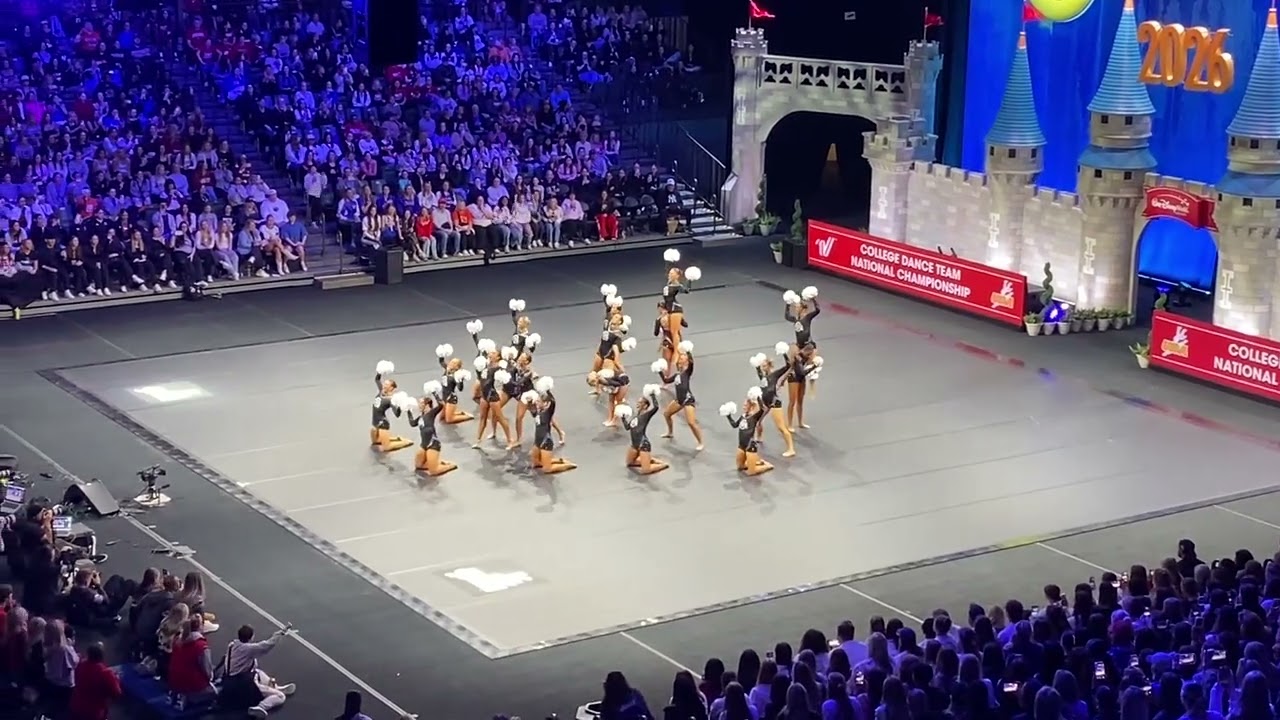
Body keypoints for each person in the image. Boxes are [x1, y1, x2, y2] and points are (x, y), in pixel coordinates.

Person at [225, 624, 297, 719]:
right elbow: (267, 645)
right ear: (251, 637)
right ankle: (260, 707)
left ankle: (276, 687)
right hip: (242, 684)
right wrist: (279, 634)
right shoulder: (249, 649)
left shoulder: (232, 645)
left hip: (231, 678)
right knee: (280, 697)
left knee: (259, 673)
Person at [656, 341, 704, 450]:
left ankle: (700, 442)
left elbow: (692, 363)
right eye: (680, 357)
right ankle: (670, 432)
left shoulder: (687, 372)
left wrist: (687, 352)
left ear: (687, 360)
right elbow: (666, 380)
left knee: (691, 423)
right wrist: (659, 371)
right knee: (667, 414)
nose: (681, 358)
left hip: (687, 400)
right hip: (679, 400)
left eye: (683, 357)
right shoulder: (677, 374)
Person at [750, 345, 796, 458]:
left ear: (768, 365)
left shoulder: (775, 374)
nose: (762, 368)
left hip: (774, 402)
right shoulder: (762, 375)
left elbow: (788, 366)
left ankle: (791, 448)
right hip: (765, 401)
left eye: (764, 366)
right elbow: (758, 371)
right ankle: (759, 437)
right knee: (757, 421)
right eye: (761, 366)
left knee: (781, 427)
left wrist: (785, 354)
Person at [525, 379, 574, 473]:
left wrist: (547, 390)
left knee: (547, 469)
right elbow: (531, 409)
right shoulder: (538, 412)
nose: (537, 403)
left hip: (545, 441)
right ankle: (559, 460)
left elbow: (552, 401)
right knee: (536, 464)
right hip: (537, 441)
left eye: (539, 402)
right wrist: (529, 402)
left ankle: (568, 465)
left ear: (546, 404)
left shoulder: (547, 412)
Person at [405, 388, 457, 477]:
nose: (419, 405)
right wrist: (408, 411)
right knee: (418, 466)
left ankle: (450, 465)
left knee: (433, 472)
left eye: (421, 403)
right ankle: (437, 462)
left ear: (427, 405)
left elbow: (441, 405)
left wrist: (434, 393)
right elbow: (412, 423)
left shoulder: (431, 413)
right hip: (424, 445)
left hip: (433, 444)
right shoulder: (421, 416)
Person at [167, 616, 216, 710]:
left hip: (174, 678)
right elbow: (207, 670)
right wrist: (210, 678)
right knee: (216, 693)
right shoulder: (200, 645)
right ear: (200, 626)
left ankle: (178, 694)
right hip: (191, 683)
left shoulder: (177, 639)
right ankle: (188, 698)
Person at [617, 388, 669, 475]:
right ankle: (650, 459)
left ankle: (663, 465)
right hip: (634, 445)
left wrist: (652, 395)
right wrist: (623, 418)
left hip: (643, 444)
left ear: (645, 406)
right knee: (629, 463)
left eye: (640, 403)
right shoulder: (636, 416)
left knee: (645, 470)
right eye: (638, 402)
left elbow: (656, 407)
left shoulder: (646, 415)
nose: (637, 404)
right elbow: (627, 427)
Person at [68, 642, 121, 720]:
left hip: (76, 707)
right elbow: (117, 692)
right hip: (94, 713)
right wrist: (116, 679)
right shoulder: (105, 673)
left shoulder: (80, 665)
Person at [722, 396, 773, 476]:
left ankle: (767, 466)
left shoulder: (754, 417)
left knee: (750, 472)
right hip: (741, 445)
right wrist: (728, 416)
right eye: (743, 405)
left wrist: (758, 397)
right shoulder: (743, 416)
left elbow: (763, 409)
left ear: (751, 406)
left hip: (750, 446)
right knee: (740, 467)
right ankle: (755, 463)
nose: (743, 407)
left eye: (745, 405)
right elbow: (735, 425)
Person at [370, 361, 412, 452]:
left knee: (386, 447)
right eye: (384, 384)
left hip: (382, 423)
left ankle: (406, 442)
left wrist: (401, 406)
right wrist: (379, 371)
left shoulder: (392, 399)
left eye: (386, 385)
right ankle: (397, 438)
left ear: (391, 388)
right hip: (374, 421)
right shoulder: (381, 391)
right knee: (376, 441)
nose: (384, 386)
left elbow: (397, 414)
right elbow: (377, 380)